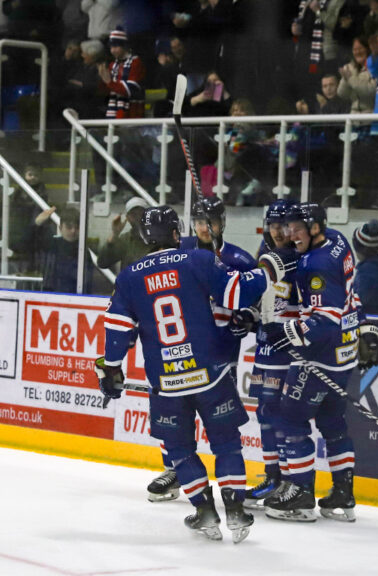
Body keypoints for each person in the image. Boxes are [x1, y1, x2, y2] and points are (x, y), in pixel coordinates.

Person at [98, 204, 288, 542]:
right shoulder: (197, 260)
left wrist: (111, 369)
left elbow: (117, 330)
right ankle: (235, 509)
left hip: (167, 382)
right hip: (211, 373)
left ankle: (203, 510)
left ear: (144, 237)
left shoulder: (128, 276)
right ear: (176, 233)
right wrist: (266, 270)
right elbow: (238, 293)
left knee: (181, 450)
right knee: (227, 444)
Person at [264, 202, 374, 523]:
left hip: (320, 356)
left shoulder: (318, 264)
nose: (290, 234)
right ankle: (343, 492)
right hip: (345, 353)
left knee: (290, 417)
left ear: (314, 228)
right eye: (289, 227)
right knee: (332, 420)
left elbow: (326, 320)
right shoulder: (337, 239)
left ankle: (300, 492)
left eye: (298, 228)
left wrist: (288, 331)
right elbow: (346, 302)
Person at [146, 196, 256, 503]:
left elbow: (259, 301)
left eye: (210, 222)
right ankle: (174, 471)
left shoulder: (240, 259)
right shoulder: (180, 252)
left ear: (222, 223)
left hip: (221, 356)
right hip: (182, 352)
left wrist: (248, 316)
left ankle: (233, 486)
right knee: (176, 416)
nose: (203, 228)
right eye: (197, 222)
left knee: (222, 426)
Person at [243, 199, 299, 508]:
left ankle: (290, 480)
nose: (278, 232)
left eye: (283, 226)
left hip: (286, 350)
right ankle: (273, 476)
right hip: (265, 346)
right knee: (264, 411)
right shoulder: (266, 255)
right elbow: (261, 301)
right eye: (273, 226)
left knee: (283, 415)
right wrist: (248, 316)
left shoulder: (297, 259)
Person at [29, 205, 94, 294]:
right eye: (69, 227)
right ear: (60, 228)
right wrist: (37, 223)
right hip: (49, 296)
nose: (73, 231)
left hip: (74, 298)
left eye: (77, 227)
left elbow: (87, 283)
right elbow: (25, 244)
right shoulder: (51, 244)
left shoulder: (83, 251)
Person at [96, 196, 150, 273]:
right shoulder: (125, 240)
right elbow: (102, 263)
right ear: (127, 218)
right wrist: (115, 234)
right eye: (134, 214)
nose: (138, 217)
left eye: (141, 213)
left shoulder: (159, 238)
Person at [100, 28, 145, 119]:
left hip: (132, 111)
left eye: (116, 47)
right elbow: (106, 90)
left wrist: (109, 83)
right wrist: (102, 82)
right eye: (111, 47)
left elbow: (132, 89)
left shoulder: (136, 62)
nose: (112, 50)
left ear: (125, 46)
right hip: (113, 109)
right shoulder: (113, 65)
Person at [337, 35, 377, 114]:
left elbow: (371, 91)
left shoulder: (376, 66)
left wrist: (350, 78)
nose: (357, 52)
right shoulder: (350, 68)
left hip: (371, 117)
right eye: (355, 49)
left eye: (360, 48)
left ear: (368, 49)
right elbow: (342, 94)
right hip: (353, 118)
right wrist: (345, 79)